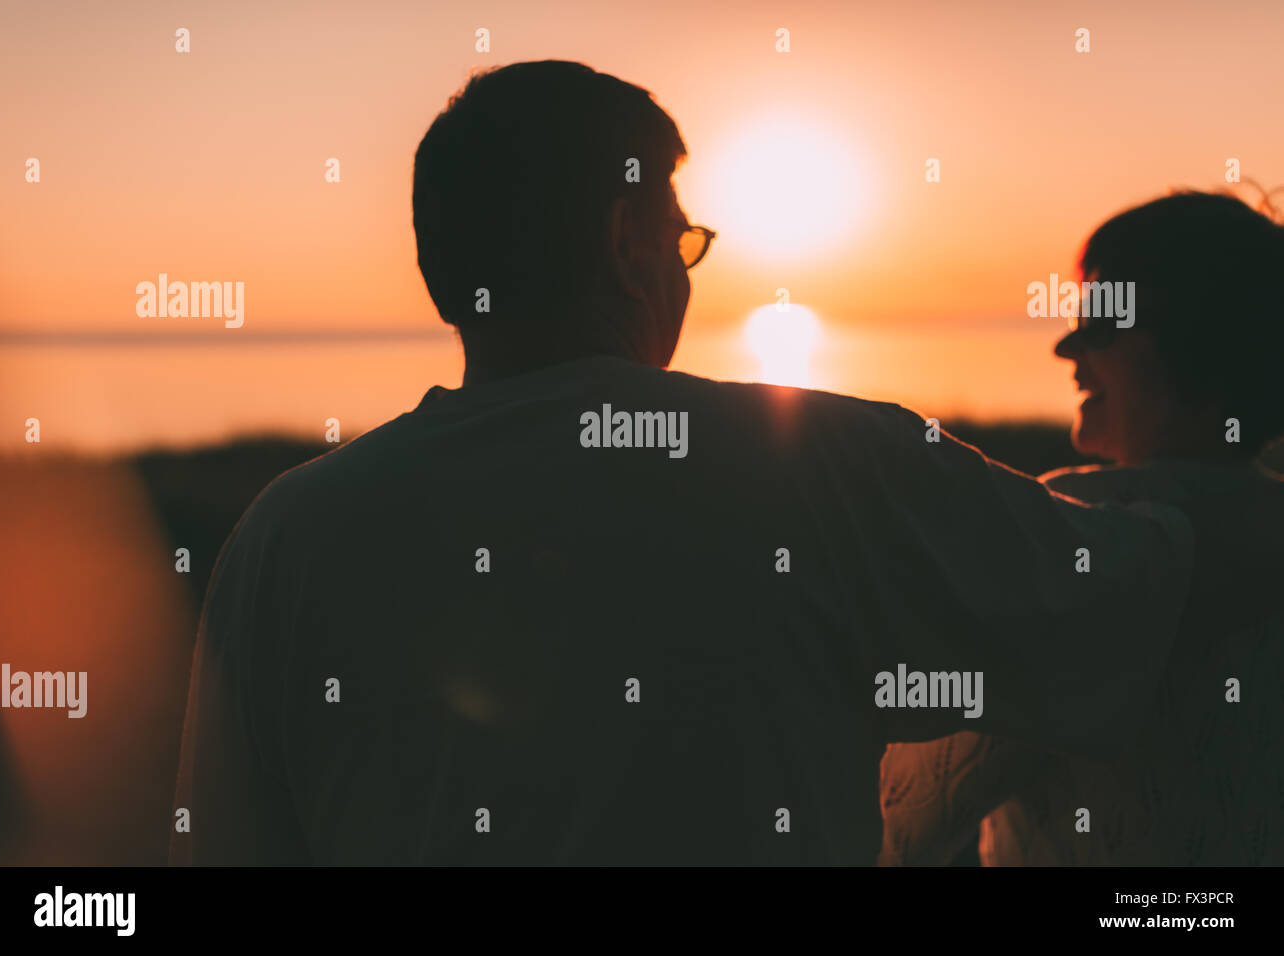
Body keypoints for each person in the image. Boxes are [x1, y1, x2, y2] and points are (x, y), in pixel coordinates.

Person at [170, 61, 1194, 865]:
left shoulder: (282, 534)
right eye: (680, 237)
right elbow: (1136, 592)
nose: (684, 267)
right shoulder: (822, 464)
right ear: (625, 242)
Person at [879, 190, 1284, 866]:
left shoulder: (1076, 525)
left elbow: (903, 818)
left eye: (1102, 319)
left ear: (1206, 337)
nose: (1066, 344)